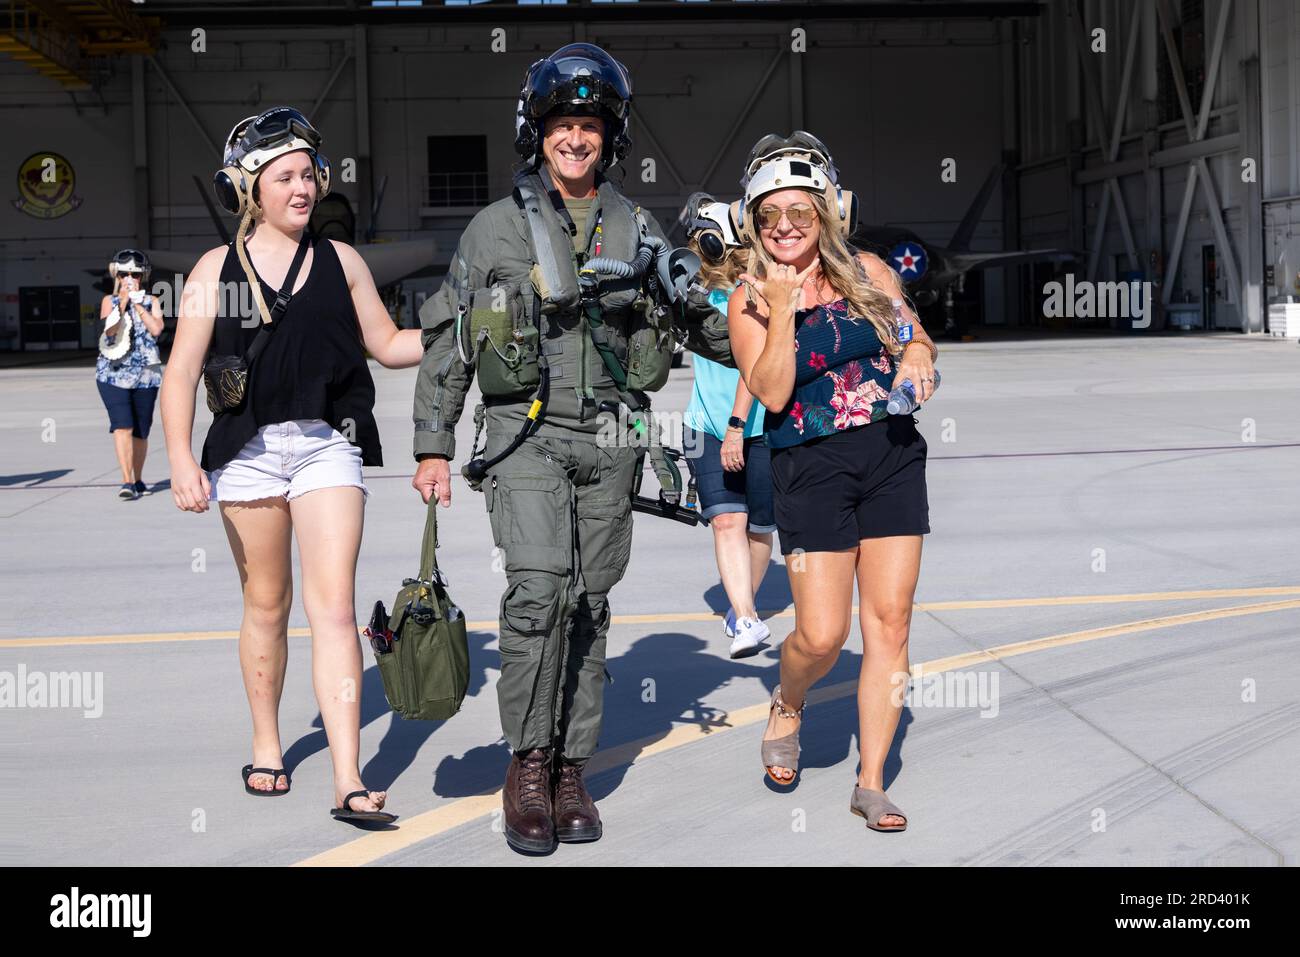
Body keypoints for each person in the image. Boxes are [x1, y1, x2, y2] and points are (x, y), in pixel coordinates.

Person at [411, 42, 734, 854]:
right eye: (563, 124)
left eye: (589, 125)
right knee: (538, 592)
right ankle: (526, 763)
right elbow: (451, 339)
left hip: (614, 435)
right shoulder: (493, 230)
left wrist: (762, 336)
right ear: (538, 133)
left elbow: (694, 319)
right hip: (526, 432)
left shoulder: (638, 226)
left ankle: (570, 767)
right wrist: (432, 443)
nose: (576, 138)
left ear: (609, 136)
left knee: (590, 603)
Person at [160, 106, 423, 823]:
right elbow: (180, 373)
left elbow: (388, 344)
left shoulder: (342, 262)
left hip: (325, 442)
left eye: (309, 173)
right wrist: (183, 457)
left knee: (334, 608)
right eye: (285, 176)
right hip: (245, 453)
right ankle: (269, 742)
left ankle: (347, 773)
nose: (302, 187)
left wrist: (459, 330)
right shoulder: (217, 271)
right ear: (250, 188)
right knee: (266, 605)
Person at [727, 132, 939, 832]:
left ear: (826, 214)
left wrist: (918, 360)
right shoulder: (748, 300)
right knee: (820, 634)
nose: (785, 228)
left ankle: (872, 781)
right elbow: (775, 391)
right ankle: (789, 701)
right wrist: (783, 307)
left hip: (891, 455)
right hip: (809, 467)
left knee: (891, 622)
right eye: (771, 216)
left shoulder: (872, 271)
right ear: (754, 223)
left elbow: (915, 334)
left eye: (801, 213)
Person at [679, 193, 775, 658]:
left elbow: (752, 371)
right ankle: (746, 619)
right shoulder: (692, 298)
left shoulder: (760, 296)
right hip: (706, 426)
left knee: (759, 528)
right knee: (727, 521)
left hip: (758, 429)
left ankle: (744, 607)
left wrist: (738, 428)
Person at [96, 250, 165, 500]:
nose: (129, 278)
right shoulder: (109, 301)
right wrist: (123, 302)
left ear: (142, 277)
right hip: (113, 375)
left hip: (146, 375)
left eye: (134, 274)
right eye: (124, 273)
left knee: (141, 430)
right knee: (122, 426)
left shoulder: (152, 301)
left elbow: (157, 329)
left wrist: (137, 303)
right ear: (117, 275)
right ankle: (126, 481)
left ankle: (137, 479)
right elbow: (110, 331)